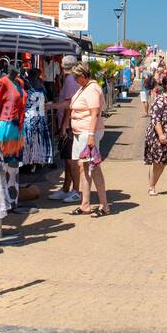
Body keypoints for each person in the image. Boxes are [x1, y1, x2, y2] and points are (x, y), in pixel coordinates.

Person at [63, 63, 110, 217]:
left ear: (83, 76)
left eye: (76, 77)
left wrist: (90, 135)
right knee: (84, 167)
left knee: (93, 167)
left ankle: (104, 205)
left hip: (88, 132)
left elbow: (94, 113)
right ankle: (85, 204)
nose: (75, 80)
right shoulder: (85, 88)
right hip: (81, 133)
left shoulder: (92, 89)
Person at [48, 56, 83, 203]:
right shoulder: (73, 79)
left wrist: (63, 125)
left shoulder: (69, 80)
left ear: (62, 66)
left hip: (69, 125)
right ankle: (66, 188)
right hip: (70, 124)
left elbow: (70, 105)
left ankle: (76, 190)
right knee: (67, 159)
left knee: (70, 160)